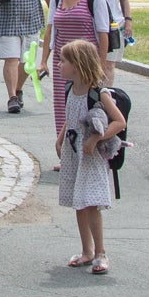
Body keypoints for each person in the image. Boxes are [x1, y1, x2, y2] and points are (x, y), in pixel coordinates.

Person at [53, 38, 126, 274]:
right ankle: (86, 250)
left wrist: (96, 138)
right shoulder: (69, 89)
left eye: (63, 61)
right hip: (74, 152)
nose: (59, 65)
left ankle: (100, 252)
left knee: (91, 203)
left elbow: (119, 122)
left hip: (90, 157)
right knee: (79, 203)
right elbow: (69, 117)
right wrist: (61, 137)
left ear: (78, 64)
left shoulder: (97, 93)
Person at [35, 0, 100, 111]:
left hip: (85, 63)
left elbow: (103, 34)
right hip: (62, 62)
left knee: (84, 109)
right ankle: (62, 137)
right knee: (62, 108)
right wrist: (43, 61)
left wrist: (102, 66)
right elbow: (50, 29)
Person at [87, 0, 133, 81]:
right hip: (95, 27)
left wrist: (128, 20)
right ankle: (92, 94)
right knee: (94, 63)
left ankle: (105, 94)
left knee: (109, 65)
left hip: (115, 26)